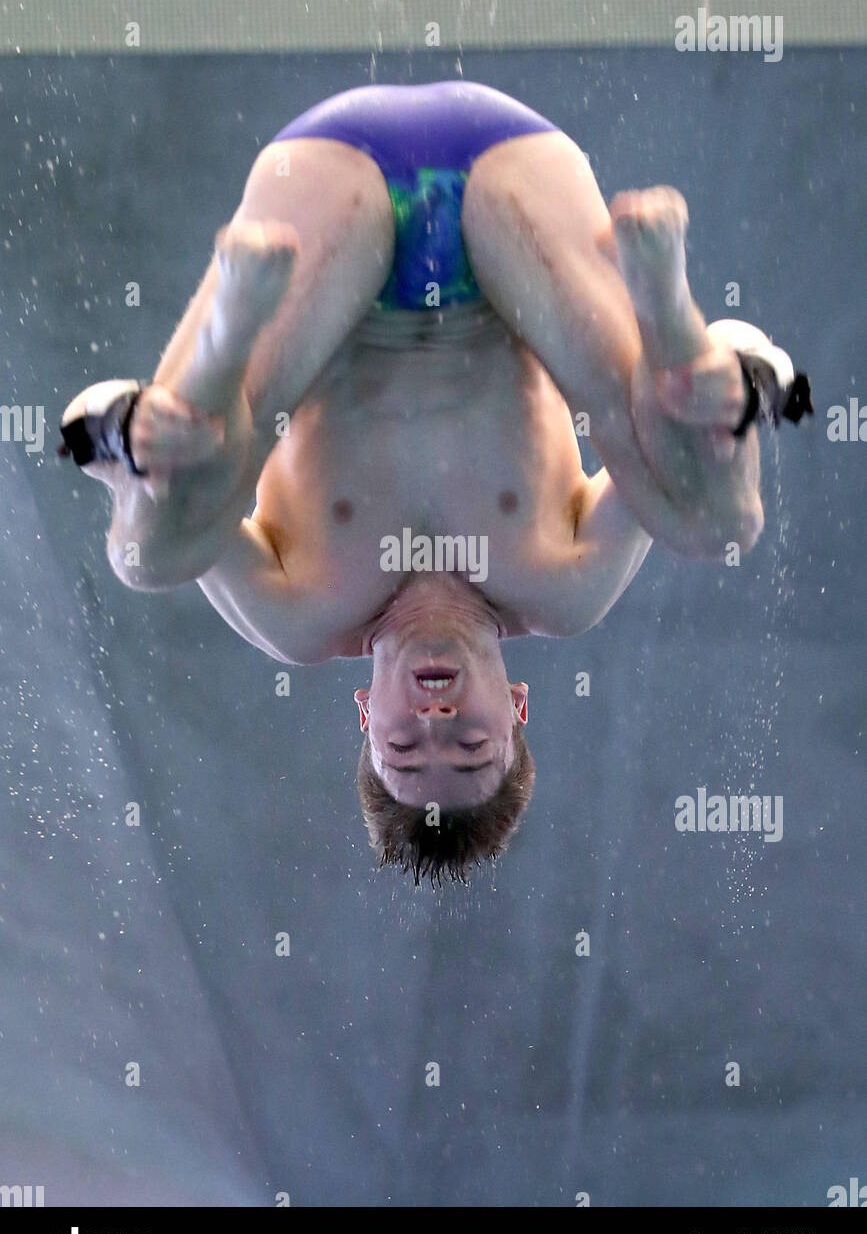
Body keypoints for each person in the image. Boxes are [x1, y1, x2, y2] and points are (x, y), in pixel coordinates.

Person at [58, 81, 812, 884]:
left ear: (364, 718)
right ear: (517, 709)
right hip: (511, 199)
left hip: (325, 214)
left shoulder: (300, 614)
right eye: (470, 744)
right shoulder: (562, 590)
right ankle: (715, 353)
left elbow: (161, 538)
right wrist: (711, 413)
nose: (436, 720)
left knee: (153, 558)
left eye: (407, 751)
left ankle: (181, 379)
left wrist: (128, 459)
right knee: (715, 526)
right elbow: (686, 489)